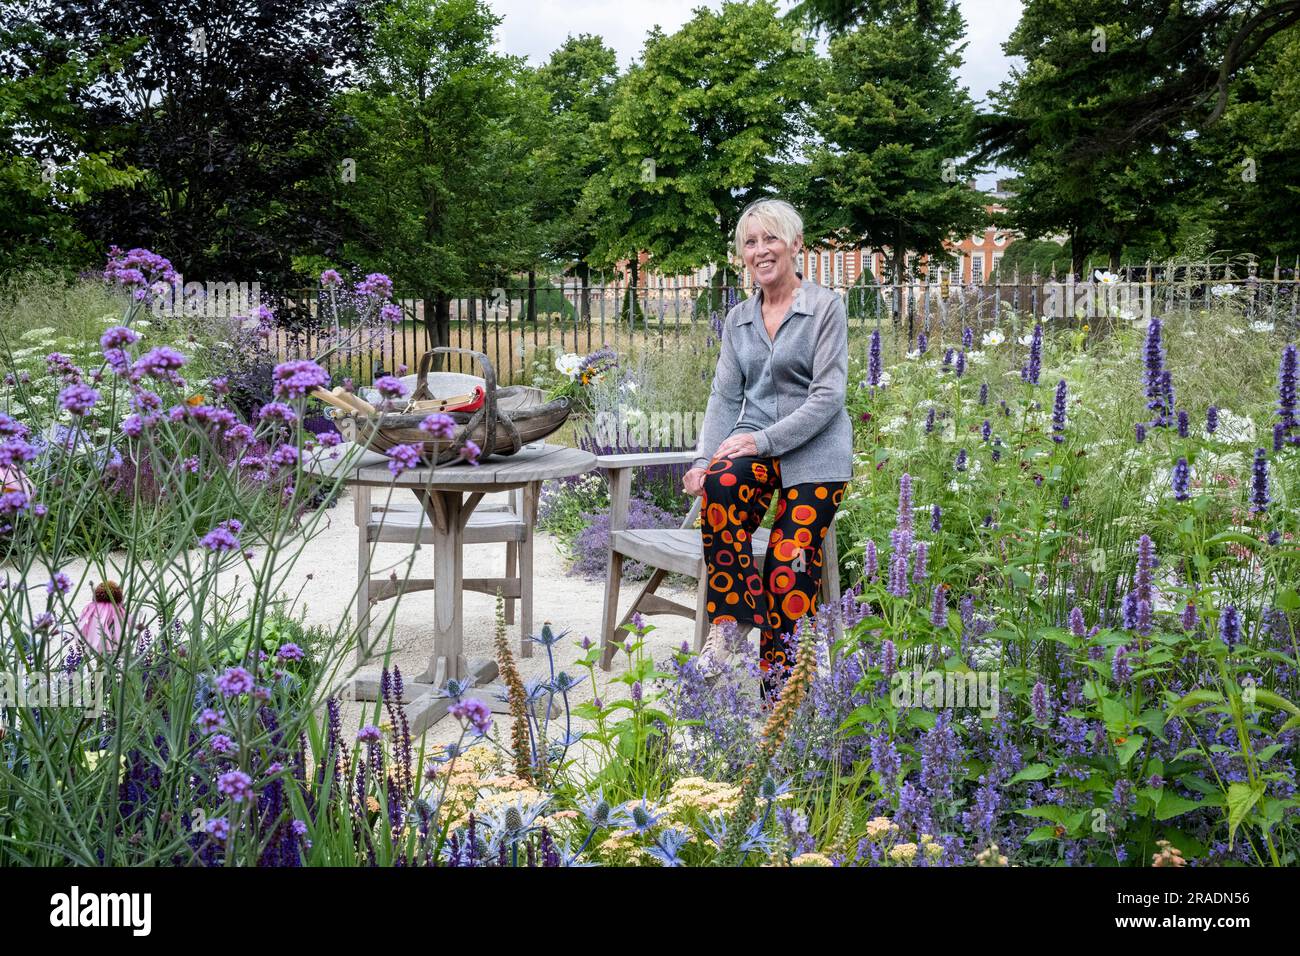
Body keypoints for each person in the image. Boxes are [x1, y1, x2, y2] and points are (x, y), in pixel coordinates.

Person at [683, 198, 852, 700]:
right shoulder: (738, 319)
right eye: (750, 243)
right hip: (757, 447)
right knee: (722, 483)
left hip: (816, 455)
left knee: (787, 563)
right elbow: (724, 397)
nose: (760, 251)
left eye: (770, 239)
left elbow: (828, 399)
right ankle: (732, 622)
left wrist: (762, 440)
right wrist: (701, 461)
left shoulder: (825, 308)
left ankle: (779, 700)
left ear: (795, 244)